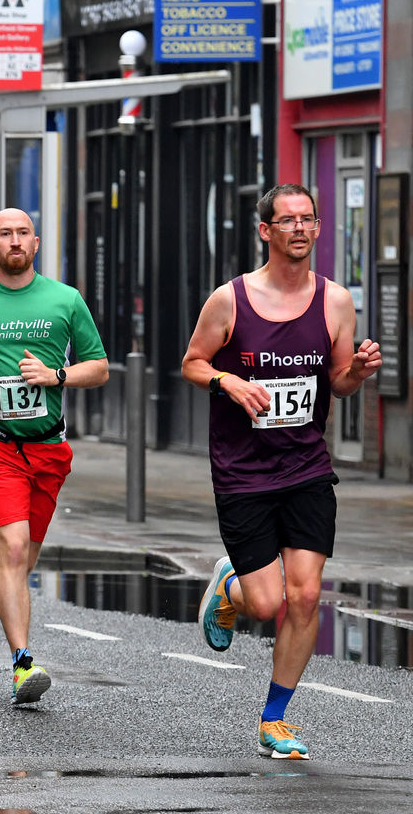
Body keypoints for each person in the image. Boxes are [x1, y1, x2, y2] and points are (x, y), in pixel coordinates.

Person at [181, 183, 381, 760]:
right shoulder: (230, 300)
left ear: (318, 229)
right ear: (264, 231)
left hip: (306, 465)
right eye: (287, 220)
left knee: (306, 595)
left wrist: (358, 374)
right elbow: (193, 363)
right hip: (243, 471)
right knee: (266, 605)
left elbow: (337, 382)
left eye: (308, 219)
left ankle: (274, 718)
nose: (300, 228)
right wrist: (229, 380)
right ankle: (229, 584)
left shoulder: (336, 302)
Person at [0, 207, 108, 705]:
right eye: (4, 234)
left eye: (22, 233)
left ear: (36, 244)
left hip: (48, 449)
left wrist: (57, 377)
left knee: (20, 561)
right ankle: (22, 664)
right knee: (12, 548)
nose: (14, 240)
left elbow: (98, 366)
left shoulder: (65, 300)